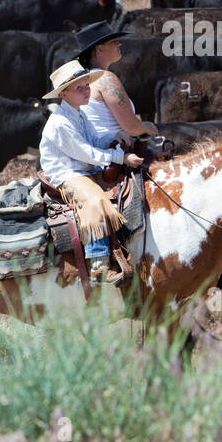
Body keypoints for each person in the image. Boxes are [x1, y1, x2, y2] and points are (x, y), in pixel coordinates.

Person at [39, 59, 144, 286]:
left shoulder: (79, 113)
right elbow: (86, 152)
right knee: (95, 200)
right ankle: (98, 266)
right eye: (80, 88)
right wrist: (122, 158)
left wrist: (113, 137)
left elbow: (94, 140)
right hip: (67, 173)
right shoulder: (60, 123)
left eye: (87, 85)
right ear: (64, 94)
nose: (86, 90)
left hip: (82, 168)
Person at [73, 21, 158, 148]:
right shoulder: (105, 78)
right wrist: (146, 127)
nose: (119, 43)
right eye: (113, 41)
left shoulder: (86, 79)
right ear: (99, 49)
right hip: (111, 153)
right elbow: (131, 127)